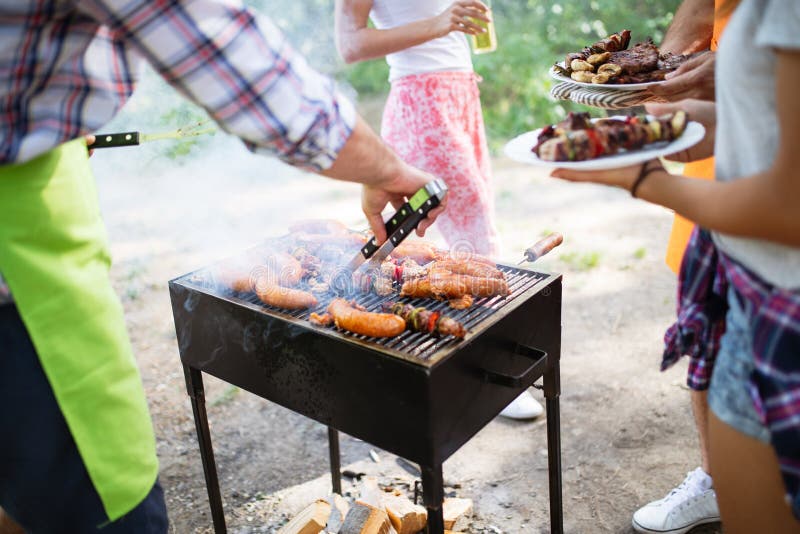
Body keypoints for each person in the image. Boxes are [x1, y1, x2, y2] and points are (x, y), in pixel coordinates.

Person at [0, 1, 444, 531]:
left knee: (22, 498)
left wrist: (46, 126)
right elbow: (243, 68)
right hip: (20, 276)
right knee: (105, 511)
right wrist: (387, 169)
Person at [551, 0, 800, 531]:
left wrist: (644, 180)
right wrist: (705, 119)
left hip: (786, 314)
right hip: (755, 292)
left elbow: (789, 209)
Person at [334, 0, 542, 420]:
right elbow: (350, 44)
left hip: (460, 91)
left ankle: (452, 364)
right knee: (468, 230)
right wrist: (439, 23)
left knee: (455, 231)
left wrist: (450, 22)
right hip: (422, 99)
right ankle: (487, 370)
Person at [628, 1, 730, 532]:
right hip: (728, 140)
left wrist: (743, 74)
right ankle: (718, 482)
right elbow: (701, 11)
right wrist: (651, 80)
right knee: (714, 327)